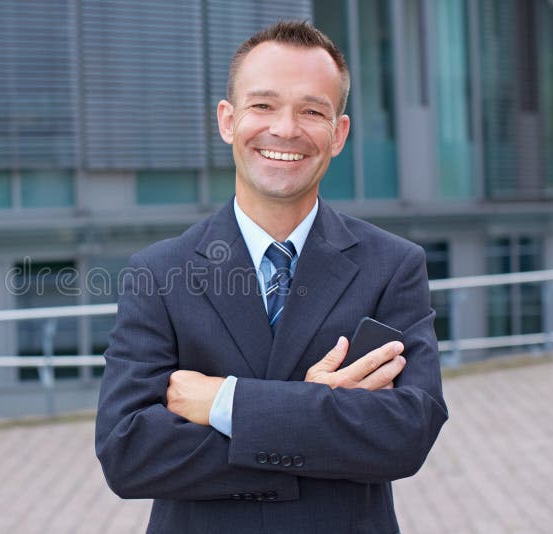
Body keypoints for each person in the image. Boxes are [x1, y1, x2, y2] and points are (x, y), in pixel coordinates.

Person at [95, 20, 447, 534]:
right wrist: (317, 417)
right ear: (227, 120)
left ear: (339, 133)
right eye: (263, 106)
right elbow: (128, 452)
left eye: (311, 111)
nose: (285, 129)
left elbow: (406, 434)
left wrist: (224, 402)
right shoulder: (159, 273)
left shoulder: (392, 266)